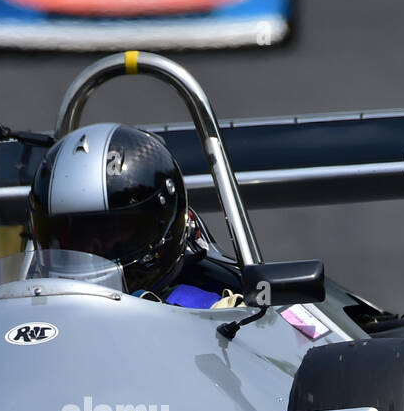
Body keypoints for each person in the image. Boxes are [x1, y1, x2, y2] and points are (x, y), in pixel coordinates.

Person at [27, 123, 243, 307]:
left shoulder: (213, 312)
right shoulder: (27, 315)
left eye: (107, 230)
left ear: (158, 226)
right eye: (75, 234)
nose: (91, 246)